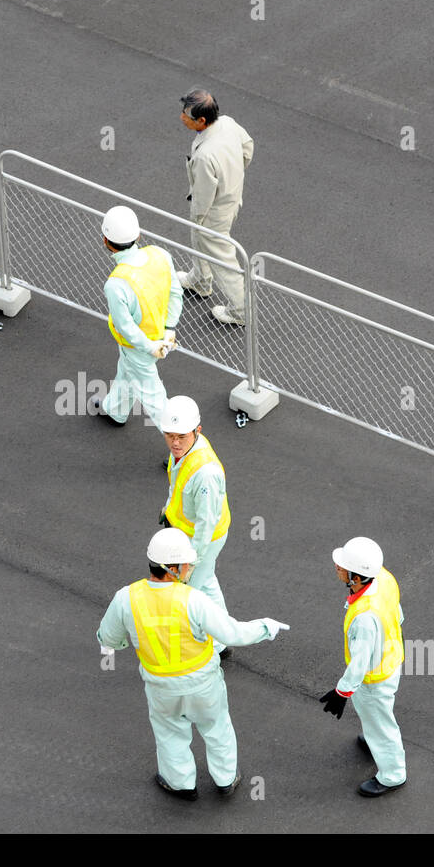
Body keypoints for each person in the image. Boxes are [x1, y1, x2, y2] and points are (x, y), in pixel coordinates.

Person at [97, 528, 289, 801]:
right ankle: (225, 779)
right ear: (172, 568)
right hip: (203, 684)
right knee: (217, 728)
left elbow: (109, 639)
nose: (190, 569)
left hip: (160, 686)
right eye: (187, 565)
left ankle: (180, 784)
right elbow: (233, 634)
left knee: (170, 735)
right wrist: (266, 627)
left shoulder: (125, 598)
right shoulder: (194, 600)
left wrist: (129, 644)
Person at [319, 537, 406, 796]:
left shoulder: (364, 618)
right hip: (390, 658)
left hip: (374, 676)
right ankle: (372, 740)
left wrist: (342, 692)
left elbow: (360, 662)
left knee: (381, 723)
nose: (337, 566)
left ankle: (393, 775)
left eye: (342, 566)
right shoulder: (384, 578)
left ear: (356, 577)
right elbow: (397, 614)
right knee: (374, 716)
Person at [87, 206, 183, 429]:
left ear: (105, 241)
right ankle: (115, 410)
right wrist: (169, 329)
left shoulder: (116, 283)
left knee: (156, 400)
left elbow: (126, 327)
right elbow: (176, 294)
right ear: (138, 235)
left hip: (140, 346)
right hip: (161, 335)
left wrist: (149, 347)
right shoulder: (160, 255)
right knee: (126, 372)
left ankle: (184, 450)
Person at [159, 395, 232, 654]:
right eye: (169, 436)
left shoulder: (206, 473)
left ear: (197, 431)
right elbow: (177, 486)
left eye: (181, 437)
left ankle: (207, 641)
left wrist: (192, 561)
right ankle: (223, 639)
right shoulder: (183, 453)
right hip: (186, 532)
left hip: (201, 540)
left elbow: (206, 524)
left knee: (190, 591)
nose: (175, 443)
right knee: (207, 583)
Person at [178, 89, 254, 327]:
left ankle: (241, 310)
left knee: (221, 256)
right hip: (230, 198)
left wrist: (199, 218)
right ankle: (200, 280)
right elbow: (248, 147)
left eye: (186, 115)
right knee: (200, 241)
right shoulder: (228, 124)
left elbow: (203, 195)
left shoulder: (205, 156)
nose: (182, 117)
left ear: (201, 120)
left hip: (213, 211)